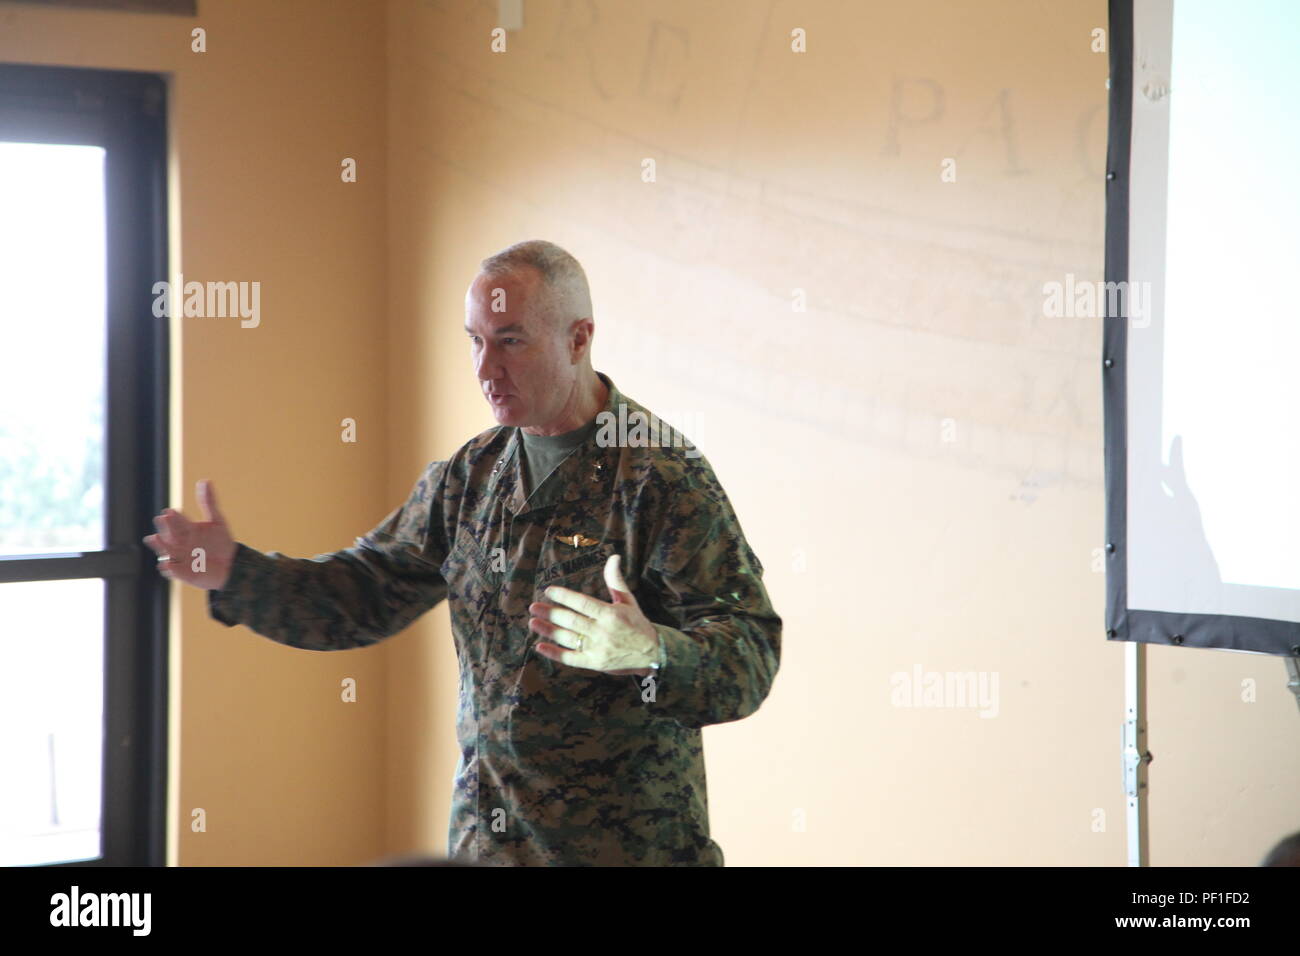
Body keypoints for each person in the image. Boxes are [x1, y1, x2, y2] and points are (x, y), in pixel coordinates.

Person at [143, 239, 782, 866]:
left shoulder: (660, 476)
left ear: (578, 339)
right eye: (474, 340)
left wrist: (652, 654)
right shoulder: (469, 476)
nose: (485, 368)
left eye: (510, 340)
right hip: (488, 846)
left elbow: (750, 652)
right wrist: (237, 572)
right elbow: (364, 594)